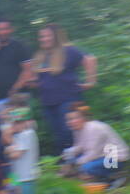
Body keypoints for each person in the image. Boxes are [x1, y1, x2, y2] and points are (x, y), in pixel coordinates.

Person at [18, 23, 97, 153]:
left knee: (70, 132)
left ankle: (81, 163)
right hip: (48, 102)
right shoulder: (40, 55)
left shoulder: (68, 51)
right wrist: (33, 83)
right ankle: (67, 165)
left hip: (68, 99)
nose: (44, 39)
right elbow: (41, 79)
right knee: (58, 135)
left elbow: (90, 59)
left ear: (56, 36)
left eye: (48, 36)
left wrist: (90, 81)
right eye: (42, 36)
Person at [62, 103, 130, 185]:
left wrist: (74, 164)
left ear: (83, 118)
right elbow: (79, 147)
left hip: (116, 159)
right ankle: (94, 177)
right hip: (101, 156)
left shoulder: (94, 128)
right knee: (73, 159)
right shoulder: (78, 129)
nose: (71, 122)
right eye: (69, 119)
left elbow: (92, 154)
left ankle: (116, 176)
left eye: (75, 118)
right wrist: (68, 155)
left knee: (86, 168)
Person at [4, 98, 44, 194]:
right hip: (17, 175)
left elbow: (16, 154)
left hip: (27, 174)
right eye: (14, 122)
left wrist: (9, 148)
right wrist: (10, 146)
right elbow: (13, 150)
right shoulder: (20, 135)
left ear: (26, 122)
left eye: (18, 122)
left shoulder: (27, 134)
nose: (15, 126)